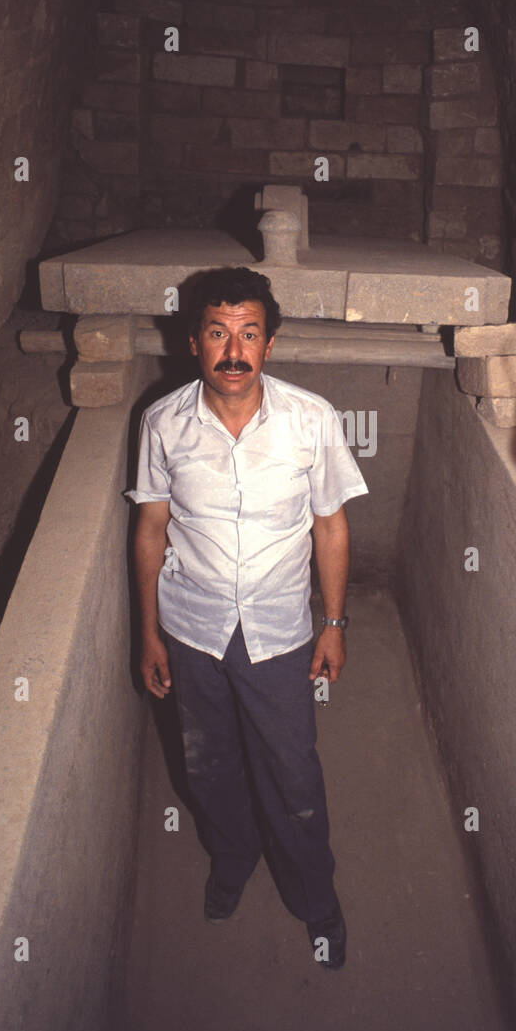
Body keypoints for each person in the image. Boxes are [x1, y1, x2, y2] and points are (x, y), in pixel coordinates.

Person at [125, 266, 368, 970]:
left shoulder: (311, 420)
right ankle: (231, 859)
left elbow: (331, 527)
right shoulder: (163, 422)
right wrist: (147, 632)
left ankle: (314, 899)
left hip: (279, 634)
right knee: (208, 765)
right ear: (193, 342)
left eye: (249, 334)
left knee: (292, 772)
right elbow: (149, 529)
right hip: (191, 628)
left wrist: (334, 623)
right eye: (217, 333)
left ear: (269, 344)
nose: (234, 349)